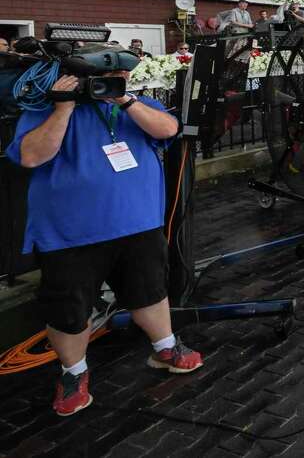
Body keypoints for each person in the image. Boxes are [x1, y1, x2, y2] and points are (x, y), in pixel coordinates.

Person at [6, 55, 203, 416]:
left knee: (150, 291)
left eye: (124, 74)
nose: (121, 79)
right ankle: (73, 373)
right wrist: (63, 108)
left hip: (138, 225)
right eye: (111, 76)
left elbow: (168, 129)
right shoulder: (45, 109)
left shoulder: (135, 104)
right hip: (69, 235)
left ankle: (165, 346)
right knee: (69, 308)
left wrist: (125, 100)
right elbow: (32, 156)